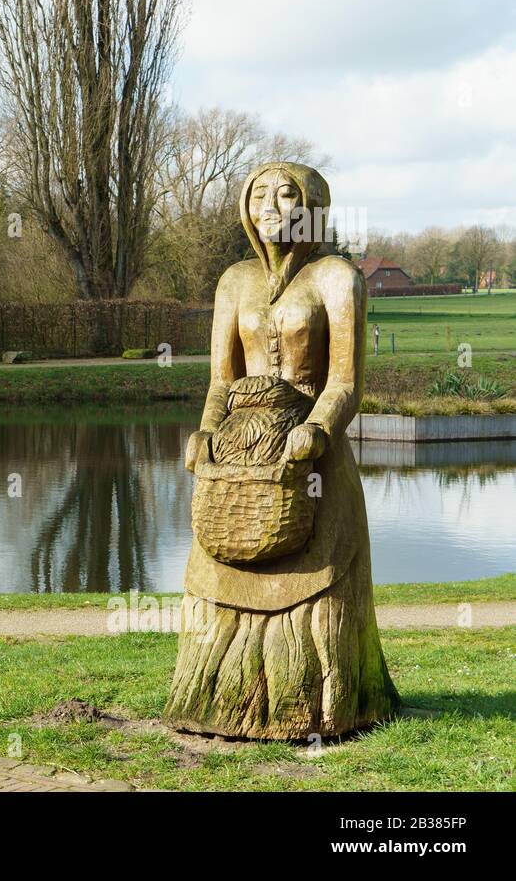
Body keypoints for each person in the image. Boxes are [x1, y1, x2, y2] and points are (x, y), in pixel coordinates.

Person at [165, 162, 399, 740]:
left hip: (312, 460)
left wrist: (316, 430)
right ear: (246, 208)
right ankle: (216, 701)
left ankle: (322, 706)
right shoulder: (233, 281)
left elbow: (344, 381)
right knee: (217, 572)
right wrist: (205, 432)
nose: (272, 204)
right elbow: (221, 381)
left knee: (318, 586)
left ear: (313, 207)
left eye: (287, 193)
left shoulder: (337, 278)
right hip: (241, 459)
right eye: (260, 194)